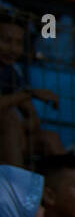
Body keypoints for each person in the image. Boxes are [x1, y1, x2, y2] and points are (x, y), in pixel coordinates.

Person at [0, 12, 64, 168]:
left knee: (50, 139)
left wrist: (20, 129)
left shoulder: (11, 73)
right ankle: (16, 190)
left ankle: (67, 186)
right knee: (8, 118)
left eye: (18, 43)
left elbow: (33, 119)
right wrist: (31, 93)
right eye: (6, 41)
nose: (13, 49)